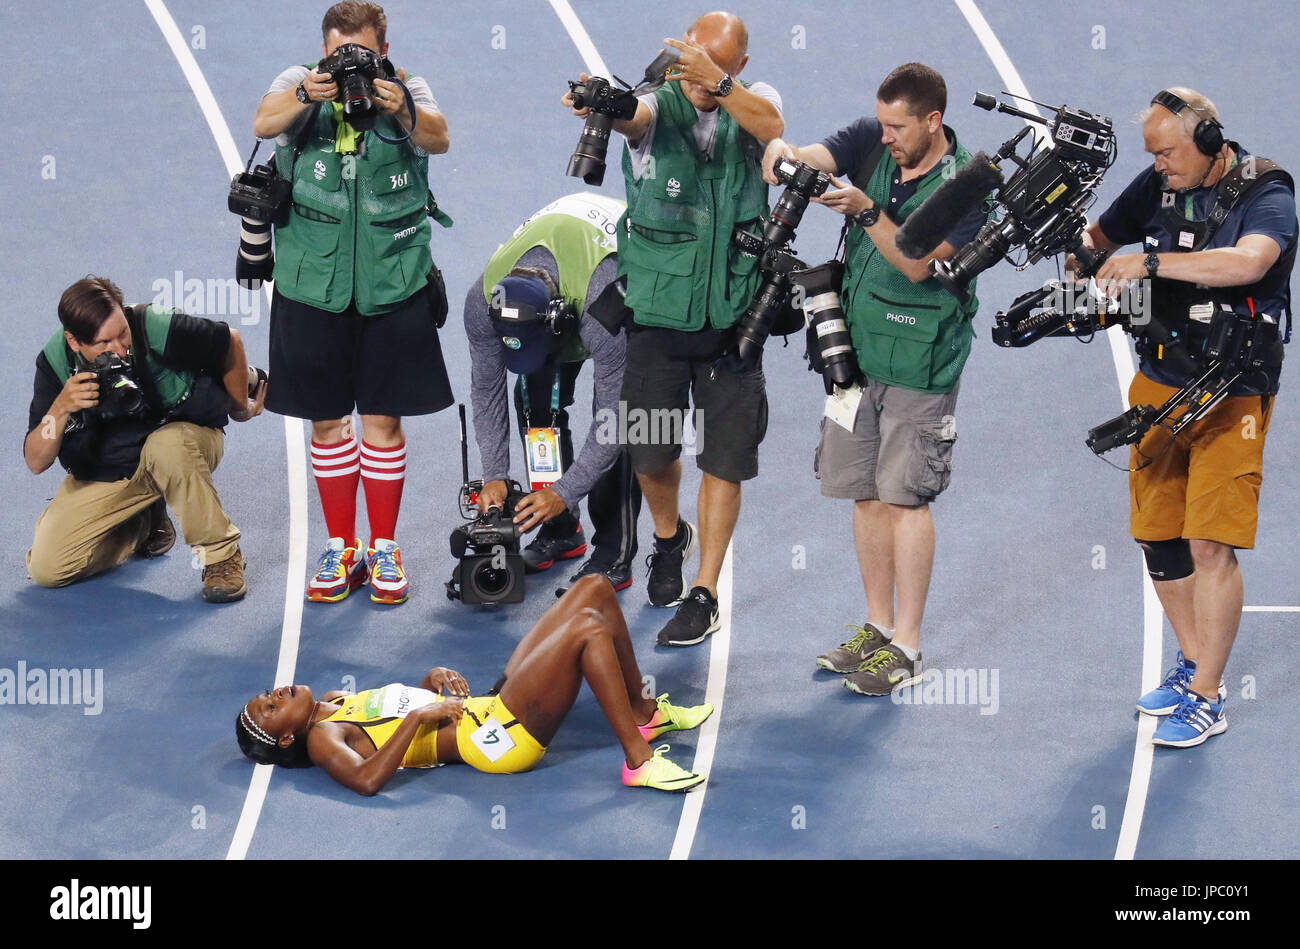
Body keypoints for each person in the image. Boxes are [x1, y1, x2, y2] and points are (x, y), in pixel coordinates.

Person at [762, 63, 990, 694]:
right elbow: (808, 154)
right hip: (853, 356)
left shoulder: (968, 187)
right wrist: (782, 153)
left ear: (932, 121)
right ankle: (877, 626)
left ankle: (909, 647)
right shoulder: (870, 138)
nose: (886, 138)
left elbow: (918, 267)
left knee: (904, 499)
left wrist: (865, 211)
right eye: (882, 124)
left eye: (898, 127)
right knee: (863, 493)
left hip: (922, 366)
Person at [562, 11, 784, 646]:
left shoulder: (754, 101)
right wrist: (601, 103)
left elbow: (772, 126)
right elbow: (637, 116)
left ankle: (705, 588)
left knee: (724, 459)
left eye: (712, 63)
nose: (694, 74)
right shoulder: (657, 107)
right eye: (690, 59)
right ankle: (668, 538)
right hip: (657, 320)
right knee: (652, 451)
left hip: (733, 322)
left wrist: (719, 86)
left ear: (736, 65)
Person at [1083, 88, 1296, 747]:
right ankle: (1190, 660)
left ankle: (1209, 694)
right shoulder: (1159, 183)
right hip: (1160, 376)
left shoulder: (1267, 192)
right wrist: (1079, 256)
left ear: (1207, 142)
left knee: (1210, 541)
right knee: (1157, 533)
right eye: (1152, 154)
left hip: (1233, 390)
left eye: (1169, 153)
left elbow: (1248, 262)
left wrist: (1149, 261)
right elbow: (1096, 242)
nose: (1159, 166)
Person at [252, 0, 454, 606]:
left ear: (383, 51)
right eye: (337, 53)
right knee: (328, 421)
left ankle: (383, 547)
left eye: (359, 54)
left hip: (393, 282)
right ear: (323, 49)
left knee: (384, 421)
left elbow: (439, 139)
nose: (347, 67)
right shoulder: (298, 83)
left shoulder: (408, 86)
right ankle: (342, 547)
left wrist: (401, 105)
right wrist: (310, 95)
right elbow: (264, 123)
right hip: (312, 284)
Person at [236, 575, 713, 794]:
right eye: (271, 708)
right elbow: (366, 780)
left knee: (595, 589)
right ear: (285, 738)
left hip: (490, 702)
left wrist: (429, 682)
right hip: (498, 739)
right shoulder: (322, 739)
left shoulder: (338, 702)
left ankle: (642, 715)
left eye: (269, 693)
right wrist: (421, 716)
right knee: (587, 628)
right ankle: (639, 761)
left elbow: (394, 715)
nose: (277, 693)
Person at [25, 276, 266, 602]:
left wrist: (239, 407)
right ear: (74, 341)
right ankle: (142, 522)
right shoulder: (56, 364)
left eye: (122, 333)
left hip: (185, 443)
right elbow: (36, 461)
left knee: (166, 446)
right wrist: (60, 408)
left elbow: (230, 341)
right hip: (119, 466)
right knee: (48, 568)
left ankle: (221, 556)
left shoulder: (155, 326)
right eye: (104, 343)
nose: (119, 348)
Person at [466, 192, 642, 591]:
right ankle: (561, 530)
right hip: (558, 291)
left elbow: (613, 420)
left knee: (630, 427)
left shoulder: (602, 309)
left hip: (612, 288)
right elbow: (486, 389)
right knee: (532, 402)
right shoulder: (483, 302)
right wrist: (494, 474)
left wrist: (565, 490)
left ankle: (614, 552)